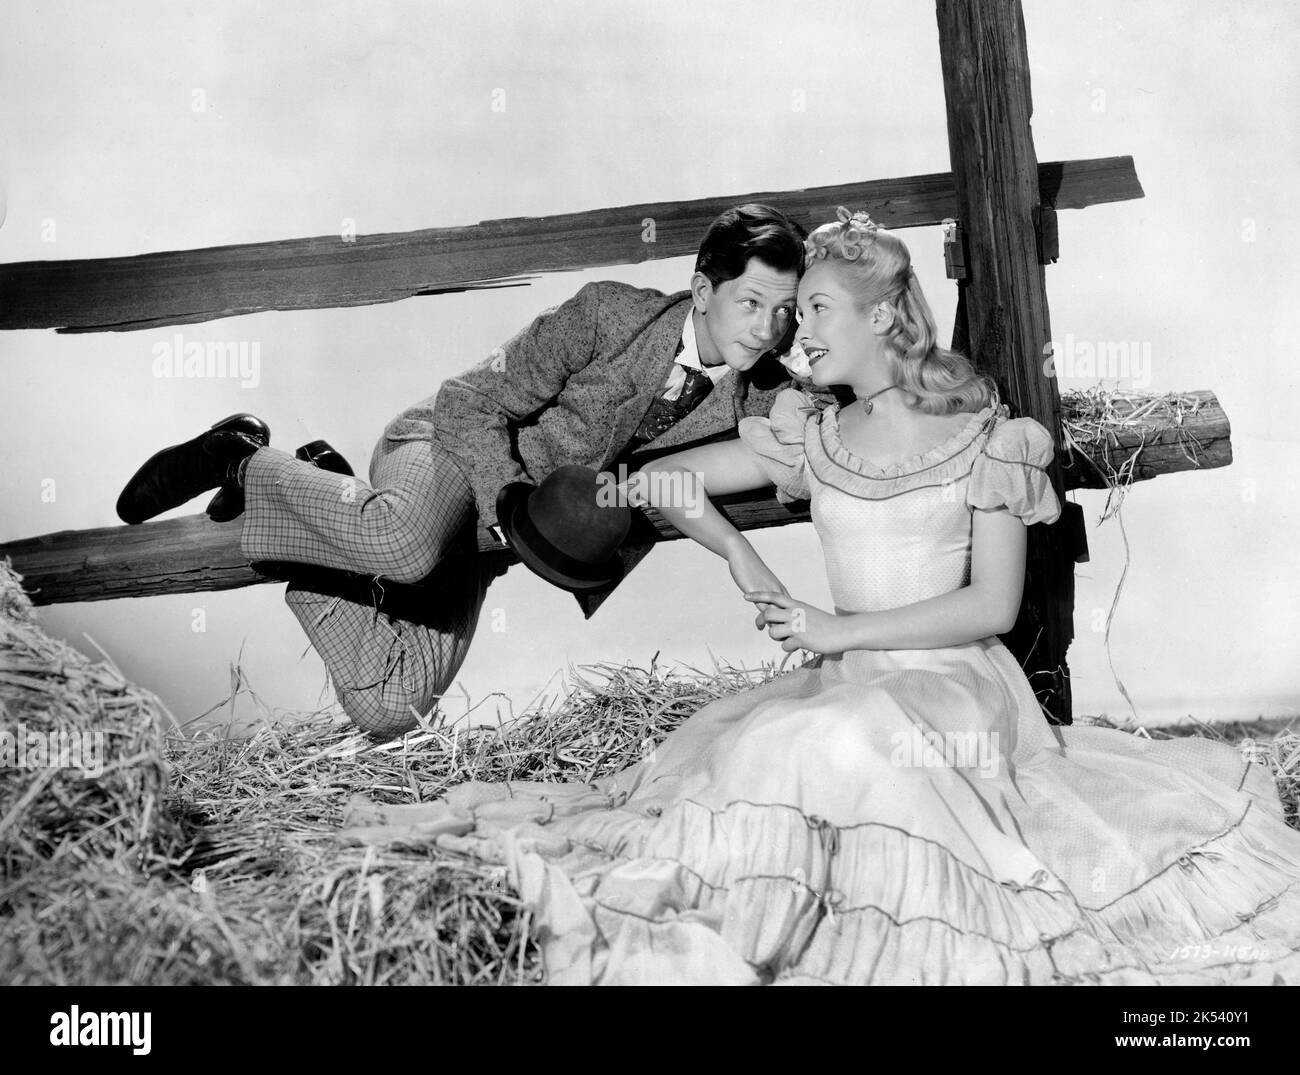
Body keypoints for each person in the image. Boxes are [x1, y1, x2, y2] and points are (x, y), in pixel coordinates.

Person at [341, 208, 1300, 985]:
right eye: (792, 314)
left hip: (953, 685)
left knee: (822, 742)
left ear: (883, 318)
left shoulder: (985, 437)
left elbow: (993, 609)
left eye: (818, 312)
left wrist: (834, 626)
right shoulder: (812, 434)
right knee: (764, 744)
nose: (795, 335)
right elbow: (664, 478)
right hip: (845, 675)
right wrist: (734, 556)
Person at [115, 204, 816, 739]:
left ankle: (328, 509)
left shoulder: (760, 397)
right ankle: (240, 454)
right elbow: (470, 400)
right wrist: (504, 495)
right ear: (701, 289)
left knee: (388, 705)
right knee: (403, 543)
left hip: (500, 540)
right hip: (449, 448)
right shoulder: (607, 312)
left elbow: (821, 431)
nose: (765, 328)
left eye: (783, 313)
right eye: (750, 303)